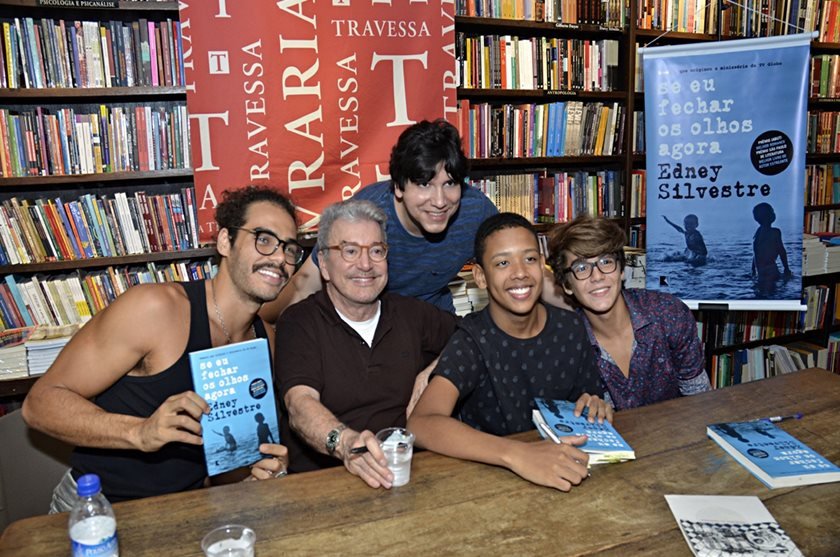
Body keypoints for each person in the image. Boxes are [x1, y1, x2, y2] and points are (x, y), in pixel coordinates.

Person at [22, 185, 294, 508]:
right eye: (264, 240)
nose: (279, 258)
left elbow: (218, 467)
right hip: (98, 510)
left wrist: (256, 472)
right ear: (225, 241)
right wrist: (140, 432)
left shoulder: (266, 342)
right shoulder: (156, 309)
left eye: (290, 249)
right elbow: (39, 404)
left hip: (187, 514)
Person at [260, 119, 567, 320]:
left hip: (434, 322)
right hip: (369, 320)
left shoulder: (474, 210)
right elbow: (304, 286)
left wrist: (588, 307)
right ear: (397, 187)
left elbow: (521, 269)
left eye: (450, 184)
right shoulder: (366, 214)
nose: (439, 201)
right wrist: (252, 327)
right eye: (424, 184)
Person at [407, 213, 610, 492]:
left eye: (529, 259)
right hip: (492, 483)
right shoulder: (472, 339)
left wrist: (595, 405)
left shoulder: (572, 328)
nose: (520, 272)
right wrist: (518, 454)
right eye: (503, 263)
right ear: (480, 276)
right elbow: (421, 423)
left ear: (543, 265)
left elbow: (587, 402)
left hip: (563, 474)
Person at [275, 199, 458, 488]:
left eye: (376, 251)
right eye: (349, 251)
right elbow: (300, 404)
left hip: (405, 475)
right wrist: (346, 443)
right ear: (323, 264)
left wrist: (435, 370)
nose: (365, 264)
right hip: (323, 484)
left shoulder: (412, 314)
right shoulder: (299, 323)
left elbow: (473, 335)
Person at [548, 214, 711, 411]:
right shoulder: (567, 345)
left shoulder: (669, 314)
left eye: (606, 262)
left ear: (621, 269)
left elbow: (701, 400)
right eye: (581, 268)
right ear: (566, 284)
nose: (597, 276)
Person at [751, 202, 792, 288]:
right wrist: (786, 268)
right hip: (771, 270)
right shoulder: (775, 232)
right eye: (772, 211)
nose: (774, 214)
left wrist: (753, 270)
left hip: (761, 271)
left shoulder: (758, 233)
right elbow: (782, 251)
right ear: (768, 216)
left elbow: (756, 254)